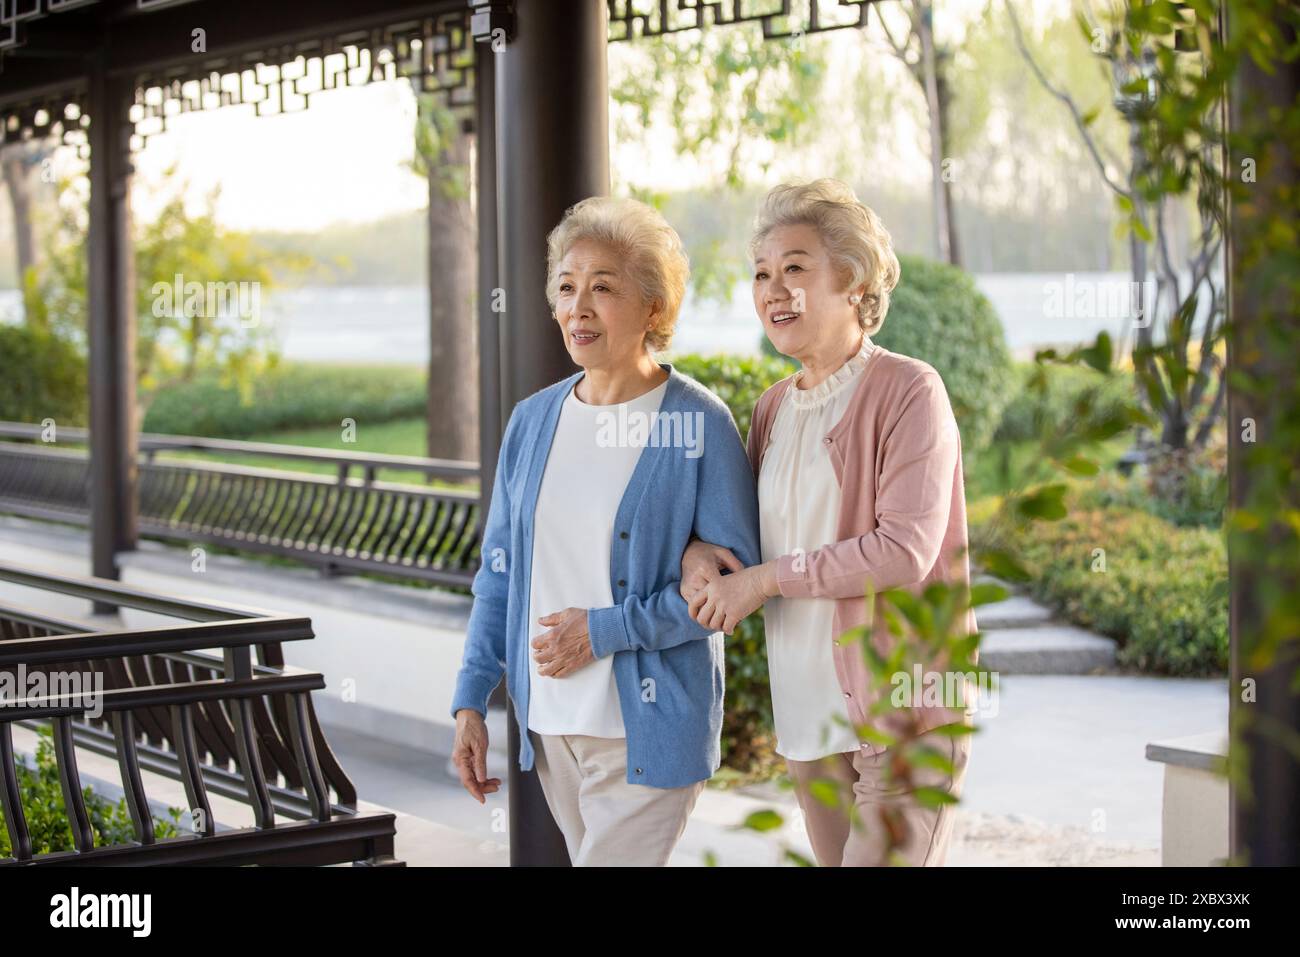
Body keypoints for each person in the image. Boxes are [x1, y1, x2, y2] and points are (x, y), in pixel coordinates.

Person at [451, 195, 761, 866]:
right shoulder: (531, 422)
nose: (577, 306)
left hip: (648, 733)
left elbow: (730, 591)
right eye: (566, 287)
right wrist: (471, 700)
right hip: (552, 727)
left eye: (603, 287)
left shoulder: (698, 424)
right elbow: (499, 574)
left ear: (654, 307)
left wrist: (602, 630)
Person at [681, 179, 975, 867]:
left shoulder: (909, 390)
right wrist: (701, 554)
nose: (772, 289)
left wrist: (764, 582)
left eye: (794, 269)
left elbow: (902, 549)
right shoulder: (771, 409)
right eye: (761, 273)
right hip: (809, 718)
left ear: (853, 281)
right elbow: (742, 536)